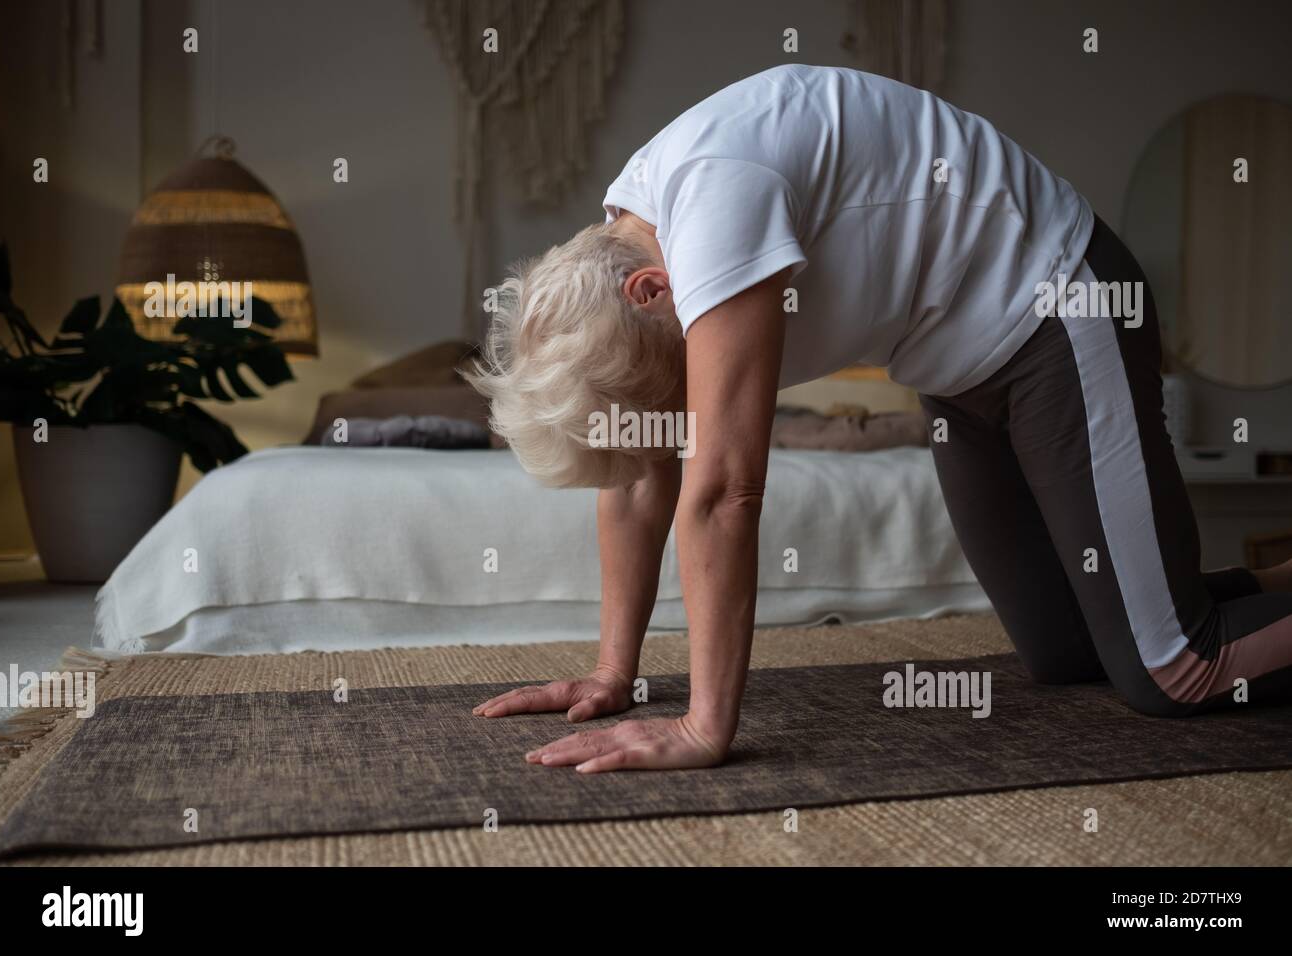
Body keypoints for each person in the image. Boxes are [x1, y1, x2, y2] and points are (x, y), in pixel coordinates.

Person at [466, 65, 1292, 774]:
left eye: (668, 396)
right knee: (1067, 652)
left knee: (1174, 668)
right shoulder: (633, 247)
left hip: (1057, 307)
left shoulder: (713, 206)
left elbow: (721, 490)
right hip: (957, 373)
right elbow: (644, 472)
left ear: (651, 295)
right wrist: (615, 673)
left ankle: (1180, 616)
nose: (677, 418)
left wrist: (703, 726)